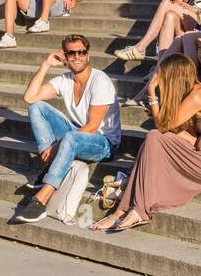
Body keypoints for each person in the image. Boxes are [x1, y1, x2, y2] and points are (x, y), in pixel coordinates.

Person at [91, 53, 201, 232]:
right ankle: (123, 210)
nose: (160, 82)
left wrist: (151, 91)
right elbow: (184, 134)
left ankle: (135, 210)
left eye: (162, 77)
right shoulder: (191, 93)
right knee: (155, 140)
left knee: (154, 136)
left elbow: (161, 127)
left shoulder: (199, 95)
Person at [14, 34, 121, 223]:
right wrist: (46, 65)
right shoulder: (64, 79)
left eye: (81, 52)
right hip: (78, 134)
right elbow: (30, 98)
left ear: (88, 55)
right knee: (36, 107)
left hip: (103, 143)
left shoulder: (100, 81)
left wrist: (57, 145)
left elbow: (93, 127)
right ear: (64, 56)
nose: (77, 56)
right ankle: (50, 167)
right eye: (71, 53)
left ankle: (40, 200)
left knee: (70, 138)